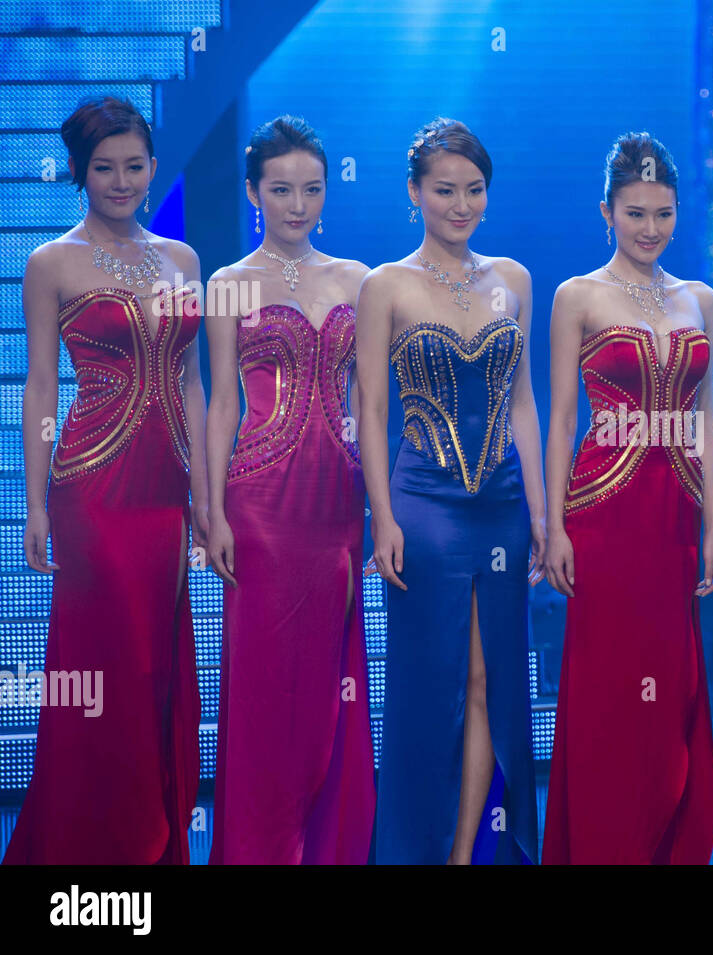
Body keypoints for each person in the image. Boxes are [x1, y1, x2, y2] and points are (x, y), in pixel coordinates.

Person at [5, 96, 206, 864]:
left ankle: (150, 838)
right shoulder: (52, 262)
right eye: (104, 169)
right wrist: (34, 504)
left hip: (167, 492)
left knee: (156, 662)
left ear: (152, 166)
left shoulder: (182, 260)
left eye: (133, 166)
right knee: (107, 664)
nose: (121, 182)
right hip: (91, 488)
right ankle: (98, 843)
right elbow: (41, 388)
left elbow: (192, 384)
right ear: (81, 175)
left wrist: (206, 499)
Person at [358, 118, 544, 864]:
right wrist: (382, 518)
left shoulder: (515, 280)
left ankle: (466, 853)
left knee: (490, 678)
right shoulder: (387, 285)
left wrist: (542, 514)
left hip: (501, 503)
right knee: (433, 684)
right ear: (414, 194)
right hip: (423, 504)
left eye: (473, 191)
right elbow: (370, 410)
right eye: (445, 191)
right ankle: (417, 847)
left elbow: (524, 402)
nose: (461, 205)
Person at [542, 131, 713, 864]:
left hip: (675, 516)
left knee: (671, 684)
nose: (651, 228)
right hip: (603, 517)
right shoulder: (578, 296)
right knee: (606, 694)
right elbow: (559, 417)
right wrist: (551, 525)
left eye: (664, 213)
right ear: (607, 211)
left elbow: (703, 418)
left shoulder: (701, 298)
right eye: (636, 212)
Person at [206, 115, 375, 864]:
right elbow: (220, 404)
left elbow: (370, 406)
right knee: (266, 687)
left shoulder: (358, 280)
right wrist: (208, 510)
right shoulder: (226, 284)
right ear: (253, 193)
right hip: (260, 505)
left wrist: (381, 509)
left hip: (338, 501)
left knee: (328, 686)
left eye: (311, 189)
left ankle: (327, 846)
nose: (298, 205)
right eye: (281, 190)